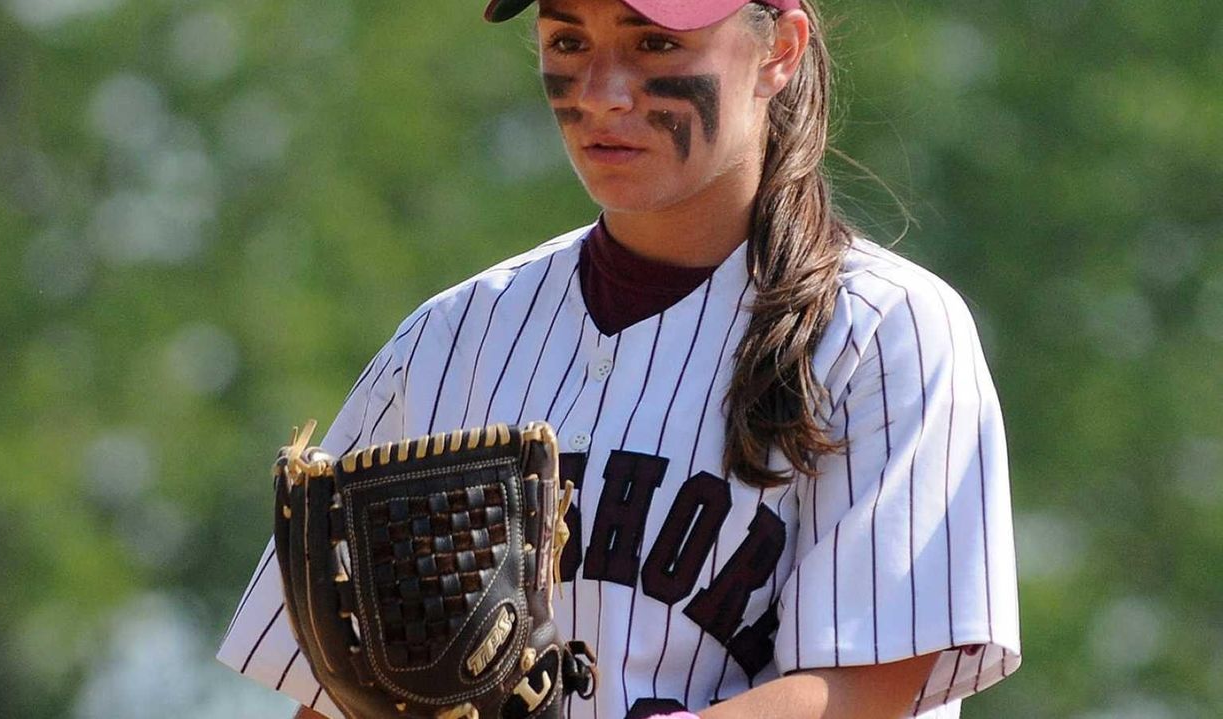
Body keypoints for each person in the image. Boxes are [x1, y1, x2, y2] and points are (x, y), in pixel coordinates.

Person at [217, 0, 1022, 717]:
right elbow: (337, 700)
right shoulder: (448, 343)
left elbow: (867, 692)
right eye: (567, 39)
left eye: (655, 43)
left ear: (779, 49)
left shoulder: (881, 331)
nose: (602, 91)